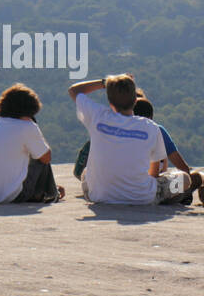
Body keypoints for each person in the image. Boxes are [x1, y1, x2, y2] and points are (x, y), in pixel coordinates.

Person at [67, 74, 191, 205]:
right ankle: (165, 196)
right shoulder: (151, 128)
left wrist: (105, 83)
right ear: (135, 101)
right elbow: (153, 173)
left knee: (87, 172)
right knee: (185, 180)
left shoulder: (97, 116)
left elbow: (74, 90)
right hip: (142, 197)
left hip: (98, 195)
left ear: (110, 102)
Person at [0, 84, 64, 206]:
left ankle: (49, 191)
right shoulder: (27, 127)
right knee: (41, 156)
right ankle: (51, 193)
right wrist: (35, 130)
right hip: (11, 197)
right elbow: (46, 157)